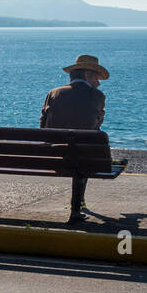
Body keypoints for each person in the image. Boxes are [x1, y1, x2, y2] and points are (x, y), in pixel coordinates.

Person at [39, 54, 110, 222]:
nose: (98, 82)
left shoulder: (53, 93)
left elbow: (42, 126)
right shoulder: (97, 96)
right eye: (96, 78)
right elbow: (96, 125)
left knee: (78, 151)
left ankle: (79, 206)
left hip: (53, 157)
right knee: (83, 152)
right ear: (87, 75)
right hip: (83, 160)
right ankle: (76, 208)